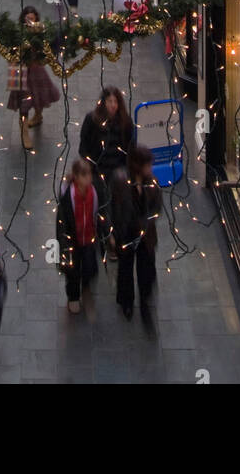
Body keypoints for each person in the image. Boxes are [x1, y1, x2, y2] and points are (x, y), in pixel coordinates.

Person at [110, 144, 162, 322]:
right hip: (126, 234)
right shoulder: (120, 181)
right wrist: (112, 234)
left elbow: (156, 208)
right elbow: (114, 209)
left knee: (146, 270)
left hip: (145, 235)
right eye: (147, 165)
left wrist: (146, 223)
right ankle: (127, 301)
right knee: (125, 269)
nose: (150, 168)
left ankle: (145, 302)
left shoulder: (152, 182)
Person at [56, 158, 108, 314]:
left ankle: (86, 289)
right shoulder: (67, 198)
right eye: (85, 176)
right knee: (72, 271)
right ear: (77, 178)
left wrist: (106, 234)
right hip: (73, 241)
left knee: (89, 267)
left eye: (89, 175)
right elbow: (61, 224)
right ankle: (73, 296)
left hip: (89, 238)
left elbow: (101, 213)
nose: (89, 179)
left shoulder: (95, 192)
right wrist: (63, 246)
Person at [6, 6, 60, 146]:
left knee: (39, 95)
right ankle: (24, 133)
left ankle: (38, 115)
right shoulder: (18, 34)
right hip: (21, 70)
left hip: (36, 69)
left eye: (32, 18)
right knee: (24, 102)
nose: (30, 21)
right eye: (27, 18)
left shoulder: (41, 32)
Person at [79, 86, 134, 189]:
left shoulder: (125, 122)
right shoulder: (92, 120)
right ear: (104, 102)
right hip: (97, 167)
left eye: (115, 102)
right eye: (110, 101)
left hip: (118, 167)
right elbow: (84, 146)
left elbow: (130, 148)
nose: (113, 105)